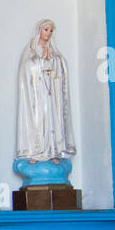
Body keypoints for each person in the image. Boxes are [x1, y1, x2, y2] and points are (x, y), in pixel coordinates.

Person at [15, 18, 76, 169]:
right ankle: (35, 152)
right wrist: (40, 61)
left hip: (51, 94)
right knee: (38, 120)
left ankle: (53, 151)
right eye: (46, 29)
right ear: (39, 31)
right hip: (37, 94)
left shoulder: (54, 51)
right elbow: (26, 68)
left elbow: (61, 69)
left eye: (50, 30)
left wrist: (53, 61)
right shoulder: (31, 50)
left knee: (53, 120)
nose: (48, 33)